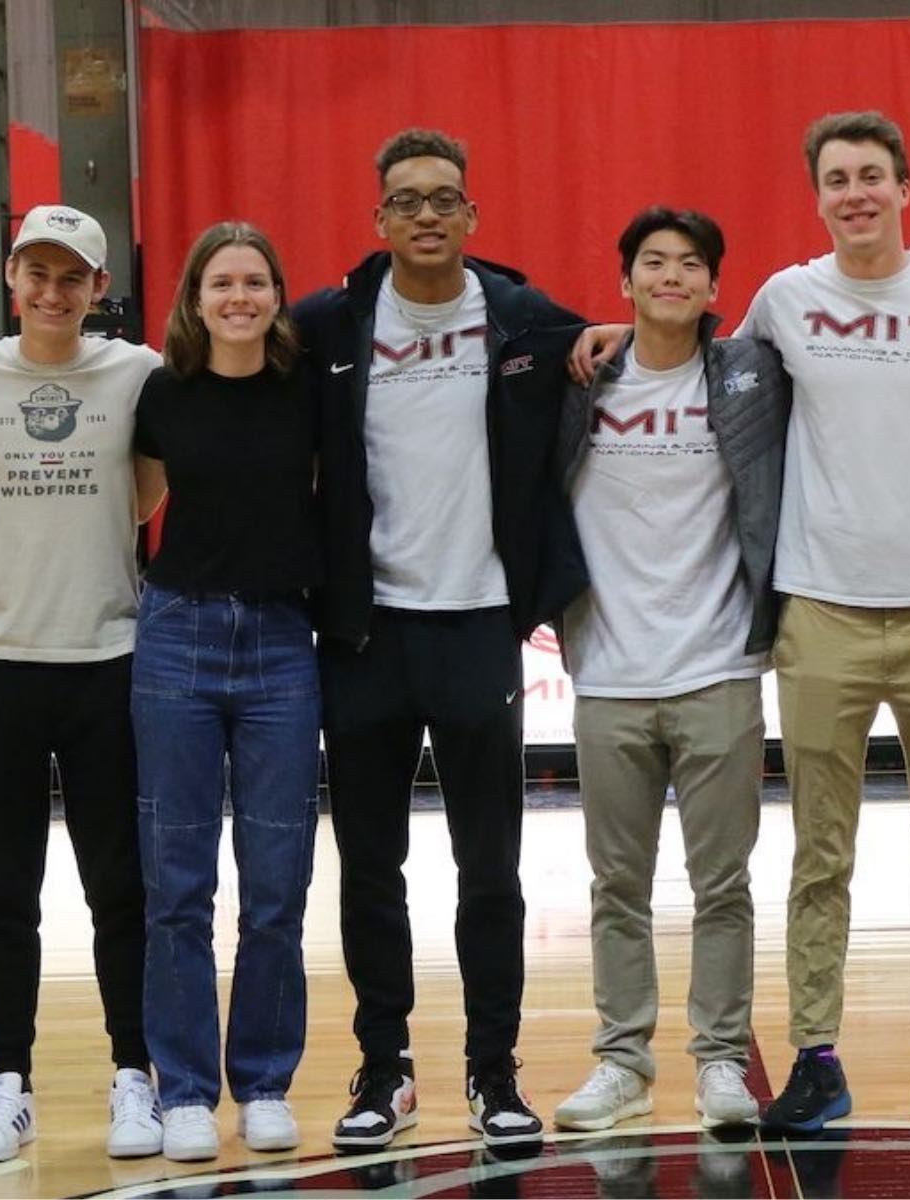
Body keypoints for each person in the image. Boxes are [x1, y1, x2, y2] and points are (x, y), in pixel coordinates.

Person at [289, 128, 588, 1150]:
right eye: (407, 200)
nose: (427, 214)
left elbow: (635, 344)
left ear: (472, 216)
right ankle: (385, 1067)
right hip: (363, 635)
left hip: (476, 627)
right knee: (371, 871)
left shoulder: (523, 321)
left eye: (445, 198)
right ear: (379, 221)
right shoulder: (326, 324)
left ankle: (493, 1071)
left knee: (489, 870)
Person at [740, 111, 910, 1135]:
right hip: (823, 616)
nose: (855, 193)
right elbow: (714, 390)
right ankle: (817, 1058)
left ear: (906, 188)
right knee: (821, 857)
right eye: (837, 179)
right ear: (818, 198)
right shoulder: (784, 300)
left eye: (872, 176)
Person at [546, 208, 787, 1134]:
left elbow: (831, 335)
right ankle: (622, 1061)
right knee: (618, 887)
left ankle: (723, 1061)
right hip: (608, 671)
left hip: (719, 665)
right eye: (654, 262)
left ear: (715, 289)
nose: (673, 276)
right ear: (626, 282)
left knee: (722, 884)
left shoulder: (750, 375)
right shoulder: (580, 382)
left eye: (692, 265)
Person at [0, 204, 163, 1162]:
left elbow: (149, 486)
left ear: (99, 291)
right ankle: (9, 1080)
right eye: (37, 272)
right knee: (3, 891)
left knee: (121, 886)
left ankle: (134, 1076)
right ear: (11, 278)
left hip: (109, 660)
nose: (52, 292)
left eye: (73, 277)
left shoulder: (139, 372)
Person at [128, 221, 325, 1162]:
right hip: (178, 638)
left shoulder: (308, 395)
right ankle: (186, 1091)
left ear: (277, 296)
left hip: (284, 643)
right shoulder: (161, 395)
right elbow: (132, 506)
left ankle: (265, 1082)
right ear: (194, 300)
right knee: (176, 883)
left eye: (255, 281)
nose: (239, 297)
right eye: (221, 283)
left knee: (278, 883)